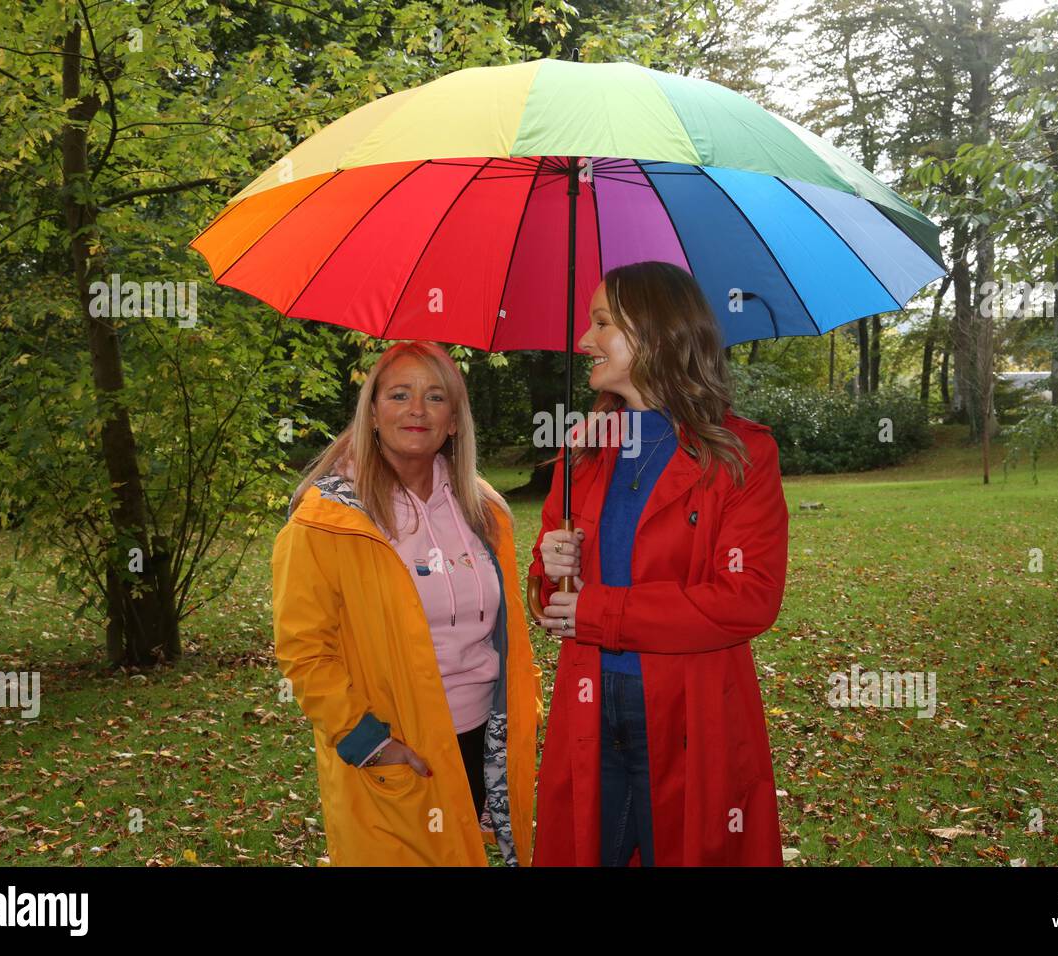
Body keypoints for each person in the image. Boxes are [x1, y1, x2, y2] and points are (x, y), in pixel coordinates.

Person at [528, 260, 789, 866]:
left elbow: (748, 597)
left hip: (690, 714)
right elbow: (550, 601)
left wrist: (599, 611)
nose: (583, 340)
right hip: (590, 707)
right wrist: (549, 568)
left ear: (654, 332)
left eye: (601, 323)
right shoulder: (584, 448)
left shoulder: (742, 453)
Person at [273, 341, 542, 866]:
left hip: (483, 744)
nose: (417, 409)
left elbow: (506, 629)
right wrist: (367, 741)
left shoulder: (486, 511)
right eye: (399, 394)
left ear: (456, 421)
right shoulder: (326, 519)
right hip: (398, 749)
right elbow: (303, 652)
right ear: (372, 412)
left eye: (435, 396)